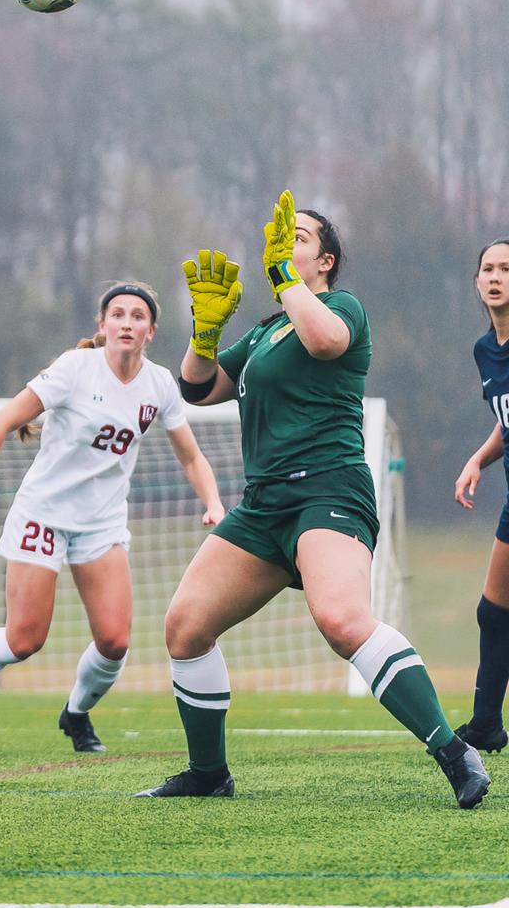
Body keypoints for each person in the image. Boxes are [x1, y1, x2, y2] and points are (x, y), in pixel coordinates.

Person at [143, 191, 488, 807]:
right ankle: (208, 774)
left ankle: (451, 749)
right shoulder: (266, 329)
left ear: (325, 261)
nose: (283, 241)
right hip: (264, 505)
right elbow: (197, 390)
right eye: (279, 236)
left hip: (329, 489)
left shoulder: (342, 308)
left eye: (298, 237)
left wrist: (282, 279)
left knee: (340, 619)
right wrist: (204, 330)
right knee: (185, 629)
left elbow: (325, 341)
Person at [0, 283, 224, 752]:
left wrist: (213, 502)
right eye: (117, 315)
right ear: (102, 326)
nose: (127, 323)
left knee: (115, 642)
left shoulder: (160, 384)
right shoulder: (74, 369)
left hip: (101, 525)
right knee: (24, 641)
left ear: (151, 331)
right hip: (43, 515)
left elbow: (190, 457)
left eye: (137, 316)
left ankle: (75, 714)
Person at [452, 238, 509, 753]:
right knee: (494, 612)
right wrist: (477, 459)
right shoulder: (484, 350)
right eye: (488, 268)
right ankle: (486, 725)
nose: (496, 276)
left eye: (507, 269)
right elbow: (505, 425)